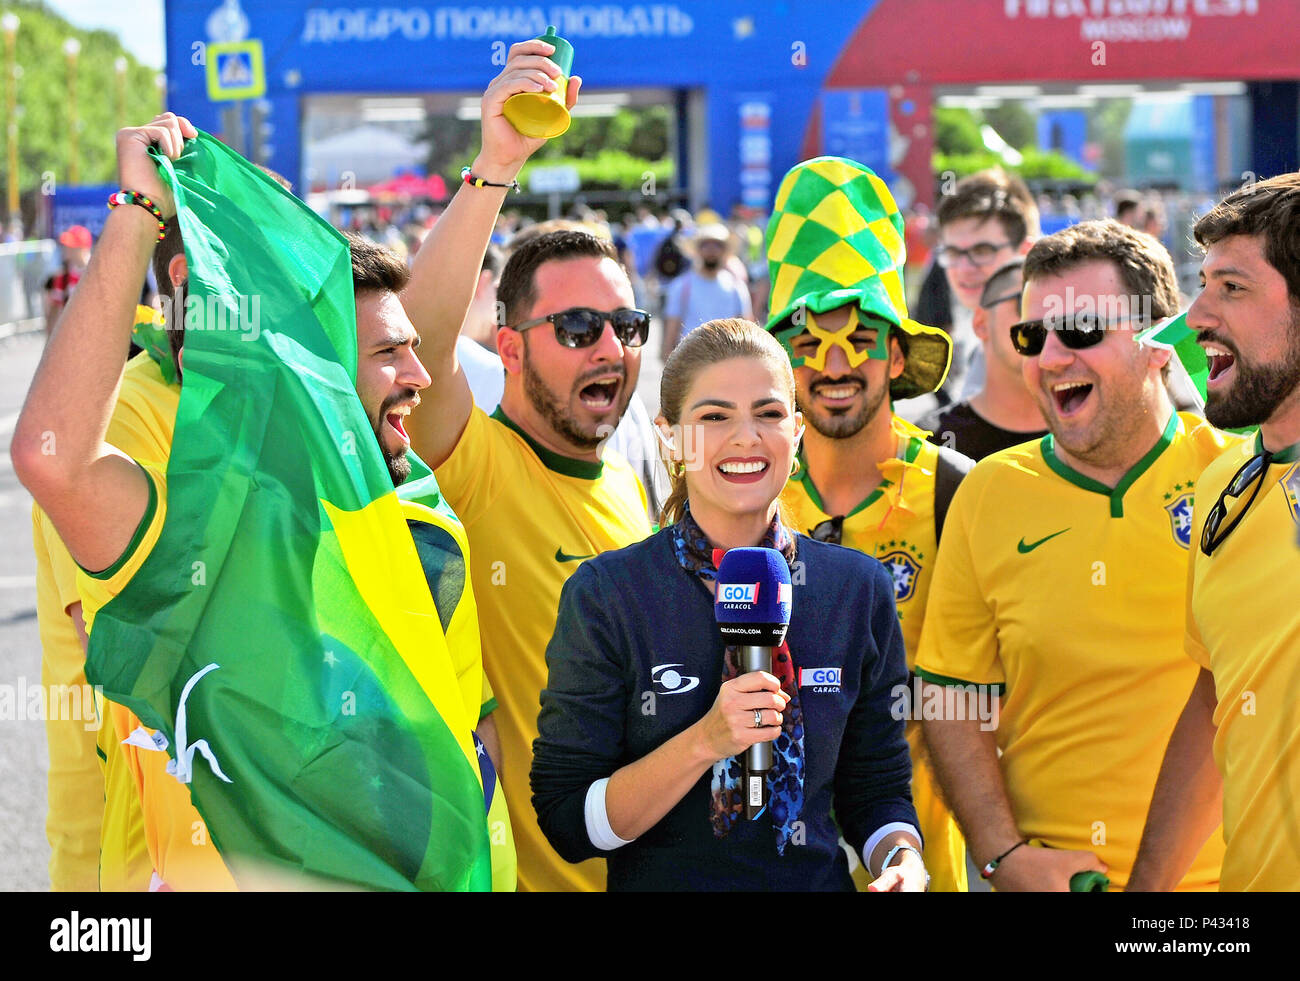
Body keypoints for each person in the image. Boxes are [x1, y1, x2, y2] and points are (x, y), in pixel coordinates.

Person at [13, 112, 507, 890]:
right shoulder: (208, 536)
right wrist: (140, 214)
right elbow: (56, 461)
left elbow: (469, 740)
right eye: (386, 354)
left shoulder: (424, 520)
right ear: (313, 376)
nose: (420, 375)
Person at [530, 318, 926, 891]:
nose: (746, 438)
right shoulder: (608, 594)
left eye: (768, 414)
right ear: (670, 437)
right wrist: (704, 741)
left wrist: (902, 859)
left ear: (795, 432)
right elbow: (569, 823)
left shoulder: (856, 588)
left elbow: (876, 789)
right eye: (714, 417)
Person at [916, 218, 1235, 891]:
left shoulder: (1243, 477)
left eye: (1084, 329)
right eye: (1032, 336)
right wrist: (1002, 855)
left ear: (1157, 342)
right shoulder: (988, 492)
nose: (1053, 356)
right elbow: (951, 693)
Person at [402, 38, 652, 892]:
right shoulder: (474, 465)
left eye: (628, 326)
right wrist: (495, 163)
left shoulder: (631, 487)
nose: (611, 349)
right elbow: (416, 348)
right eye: (579, 329)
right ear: (508, 348)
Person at [762, 155, 972, 891]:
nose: (834, 361)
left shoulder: (956, 494)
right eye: (807, 341)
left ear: (894, 351)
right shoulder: (742, 496)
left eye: (859, 336)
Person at [1129, 174, 1300, 892]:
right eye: (1202, 285)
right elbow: (1217, 698)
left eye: (1232, 287)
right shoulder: (1219, 487)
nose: (1194, 315)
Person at [925, 169, 1039, 410]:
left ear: (1026, 252)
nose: (964, 269)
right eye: (953, 253)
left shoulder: (1054, 352)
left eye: (982, 251)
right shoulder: (977, 337)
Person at [919, 259, 1048, 460]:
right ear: (981, 322)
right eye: (1025, 301)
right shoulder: (927, 442)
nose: (1043, 320)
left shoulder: (1090, 438)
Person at [660, 223, 752, 359]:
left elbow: (748, 333)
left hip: (728, 365)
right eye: (706, 245)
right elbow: (670, 334)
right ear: (697, 250)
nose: (711, 250)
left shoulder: (737, 287)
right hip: (690, 365)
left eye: (717, 245)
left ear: (724, 251)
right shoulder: (681, 286)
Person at [43, 225, 92, 335]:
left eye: (71, 246)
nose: (66, 250)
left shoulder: (97, 274)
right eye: (66, 246)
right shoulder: (63, 276)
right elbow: (54, 309)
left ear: (83, 248)